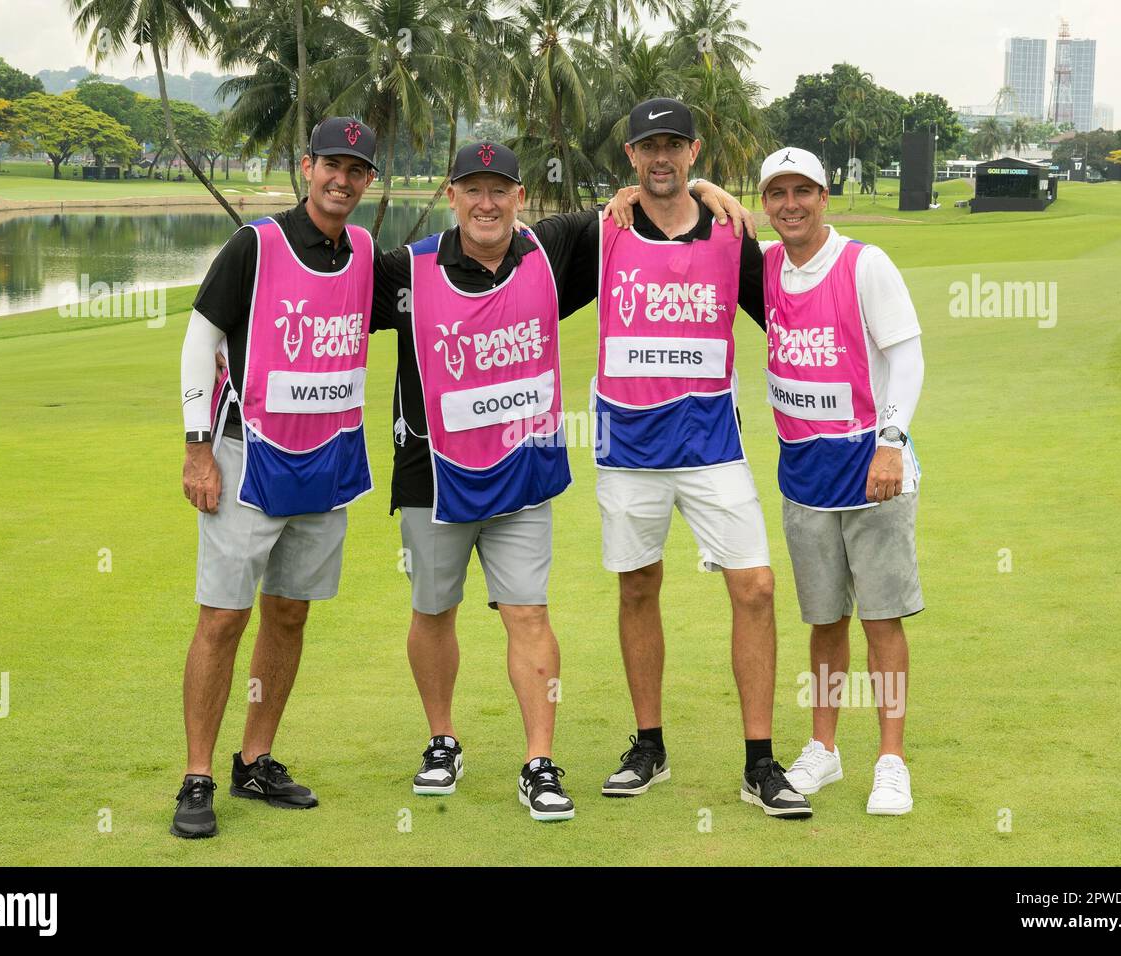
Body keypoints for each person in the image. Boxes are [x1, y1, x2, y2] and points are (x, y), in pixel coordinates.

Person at [370, 141, 752, 821]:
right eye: (472, 190)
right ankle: (441, 740)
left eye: (500, 191)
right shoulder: (409, 268)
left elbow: (649, 194)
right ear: (452, 195)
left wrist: (712, 188)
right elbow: (330, 291)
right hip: (432, 472)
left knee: (529, 613)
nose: (486, 204)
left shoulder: (554, 249)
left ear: (520, 197)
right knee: (432, 610)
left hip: (524, 471)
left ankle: (538, 762)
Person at [594, 99, 811, 818]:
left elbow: (789, 309)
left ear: (693, 151)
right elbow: (500, 264)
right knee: (637, 587)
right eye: (647, 146)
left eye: (674, 146)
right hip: (627, 448)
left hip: (713, 443)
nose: (660, 158)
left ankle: (759, 763)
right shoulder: (602, 231)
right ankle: (648, 747)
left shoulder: (730, 230)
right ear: (631, 156)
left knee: (755, 587)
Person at [170, 117, 379, 838]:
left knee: (289, 613)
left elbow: (465, 257)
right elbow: (201, 338)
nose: (342, 181)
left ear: (368, 181)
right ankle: (197, 776)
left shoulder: (364, 251)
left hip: (326, 463)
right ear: (307, 165)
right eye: (332, 166)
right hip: (243, 456)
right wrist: (197, 449)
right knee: (224, 616)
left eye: (357, 170)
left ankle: (255, 759)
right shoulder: (255, 245)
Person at [755, 147, 925, 815]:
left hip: (873, 472)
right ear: (765, 203)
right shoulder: (767, 266)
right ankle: (824, 750)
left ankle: (891, 760)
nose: (790, 204)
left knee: (882, 620)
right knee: (825, 621)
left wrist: (892, 443)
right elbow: (711, 216)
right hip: (804, 476)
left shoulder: (865, 263)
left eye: (803, 191)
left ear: (825, 197)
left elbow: (907, 358)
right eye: (777, 193)